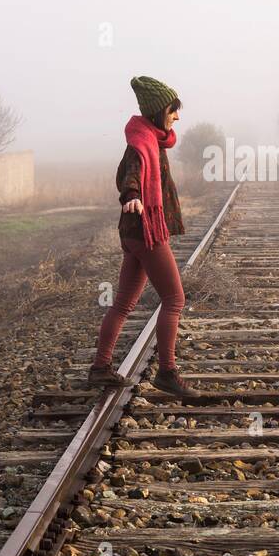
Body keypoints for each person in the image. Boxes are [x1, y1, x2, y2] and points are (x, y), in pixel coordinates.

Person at [87, 76, 199, 399]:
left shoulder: (148, 137)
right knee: (174, 299)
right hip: (144, 228)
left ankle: (100, 368)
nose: (177, 116)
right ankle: (167, 373)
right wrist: (132, 195)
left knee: (123, 302)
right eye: (172, 110)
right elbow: (129, 174)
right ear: (157, 111)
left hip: (135, 231)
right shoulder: (140, 142)